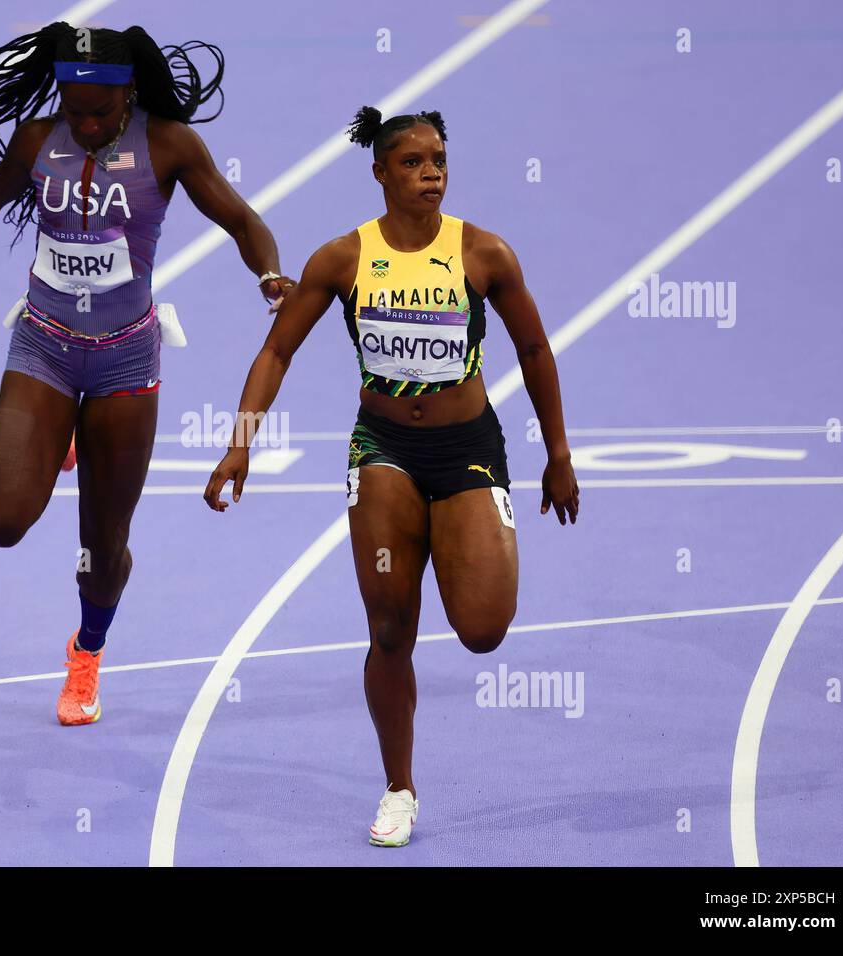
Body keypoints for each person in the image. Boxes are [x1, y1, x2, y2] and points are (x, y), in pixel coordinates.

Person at [0, 22, 296, 727]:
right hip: (45, 346)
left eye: (99, 114)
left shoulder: (169, 145)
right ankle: (61, 435)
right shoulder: (36, 141)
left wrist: (269, 276)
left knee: (102, 547)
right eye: (73, 109)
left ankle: (87, 650)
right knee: (4, 522)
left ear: (129, 96)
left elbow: (240, 219)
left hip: (124, 360)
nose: (84, 125)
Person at [204, 106, 579, 846]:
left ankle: (460, 541)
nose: (430, 172)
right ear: (380, 173)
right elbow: (277, 352)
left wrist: (558, 455)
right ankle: (399, 788)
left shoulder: (484, 254)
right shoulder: (343, 259)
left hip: (468, 447)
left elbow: (535, 351)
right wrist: (241, 441)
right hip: (382, 452)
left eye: (438, 159)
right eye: (411, 162)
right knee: (388, 628)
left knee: (482, 630)